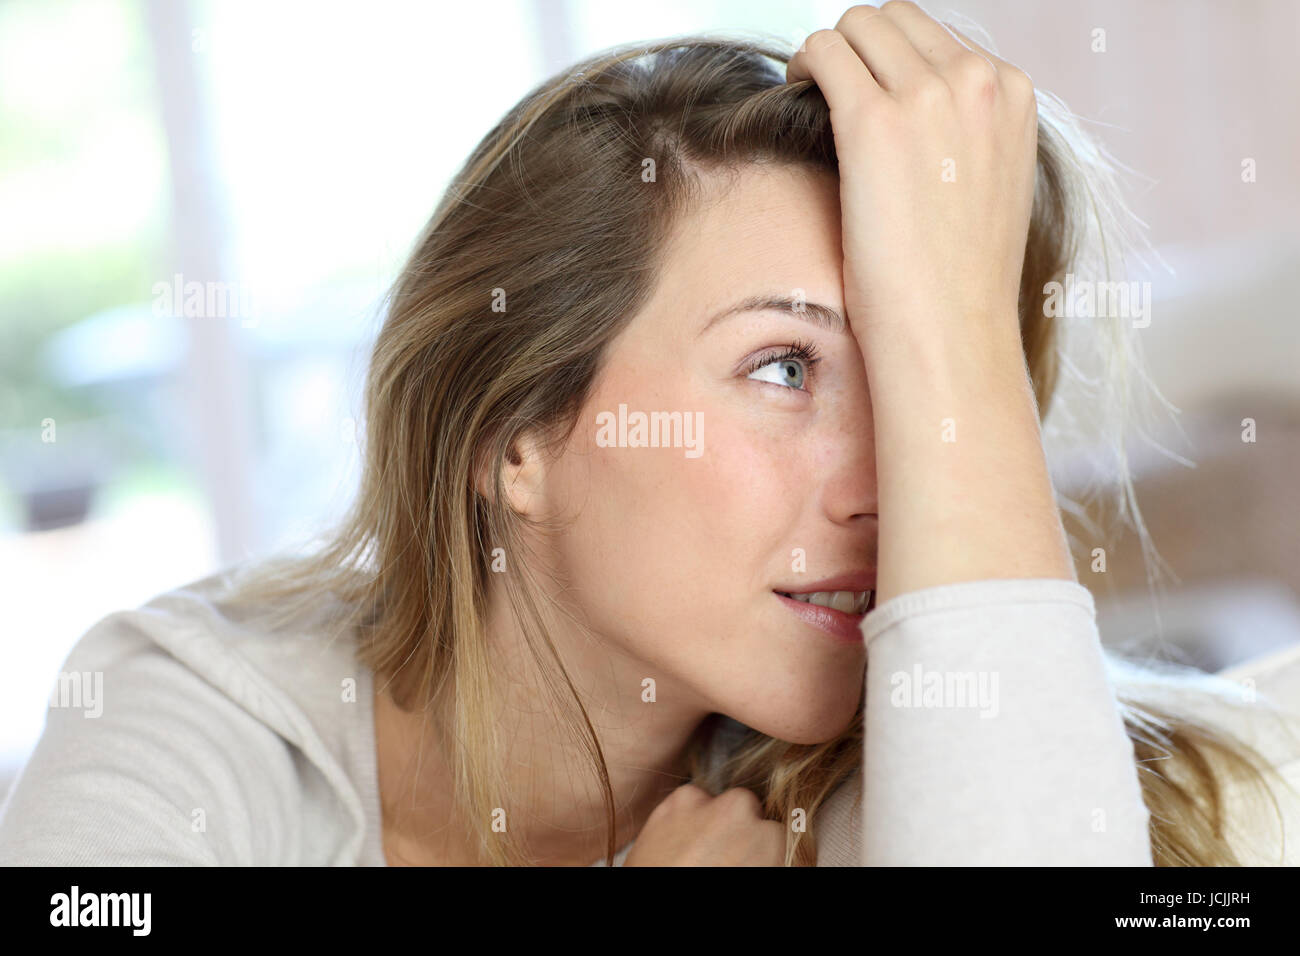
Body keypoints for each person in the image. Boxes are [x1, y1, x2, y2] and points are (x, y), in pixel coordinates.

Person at [2, 2, 1297, 867]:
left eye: (911, 381)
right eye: (782, 365)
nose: (886, 484)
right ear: (514, 433)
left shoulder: (883, 770)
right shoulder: (188, 729)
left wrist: (960, 330)